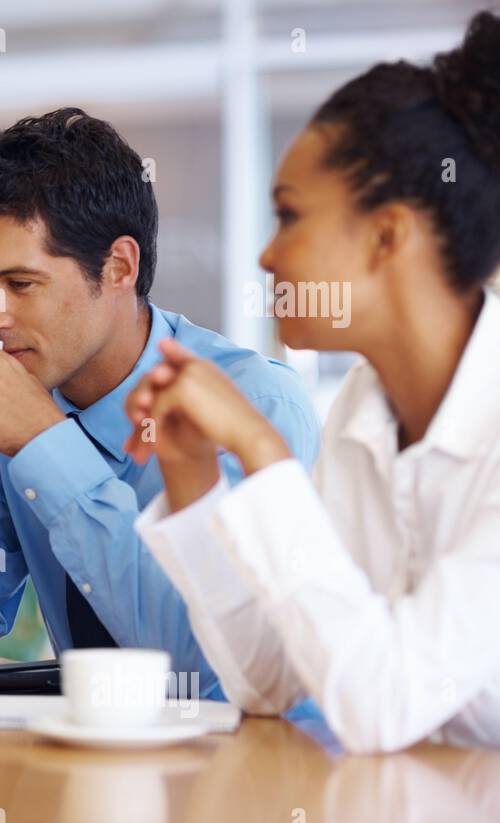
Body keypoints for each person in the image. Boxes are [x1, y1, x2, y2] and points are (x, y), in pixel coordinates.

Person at [128, 12, 500, 753]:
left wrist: (262, 450)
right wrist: (192, 471)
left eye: (289, 216)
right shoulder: (366, 409)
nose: (266, 256)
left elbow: (381, 705)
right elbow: (275, 678)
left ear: (387, 235)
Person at [0, 108, 320, 689]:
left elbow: (201, 661)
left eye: (19, 285)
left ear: (120, 266)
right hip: (85, 750)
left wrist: (44, 443)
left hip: (232, 758)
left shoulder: (255, 406)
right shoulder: (1, 401)